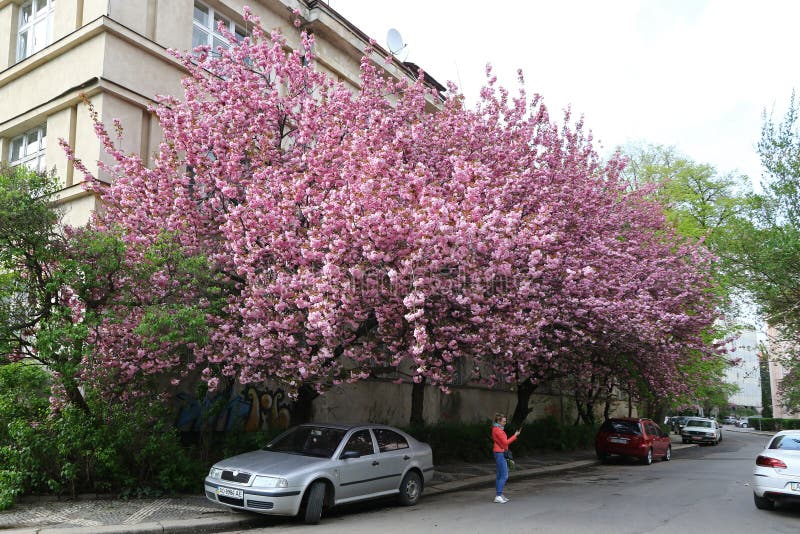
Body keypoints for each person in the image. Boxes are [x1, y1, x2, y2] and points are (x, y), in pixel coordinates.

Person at [491, 412, 520, 503]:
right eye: (503, 421)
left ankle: (499, 494)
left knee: (500, 475)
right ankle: (498, 495)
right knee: (504, 475)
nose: (505, 423)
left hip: (499, 452)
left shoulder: (496, 429)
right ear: (499, 421)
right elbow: (505, 443)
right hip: (500, 452)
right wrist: (515, 436)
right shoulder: (498, 430)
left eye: (505, 421)